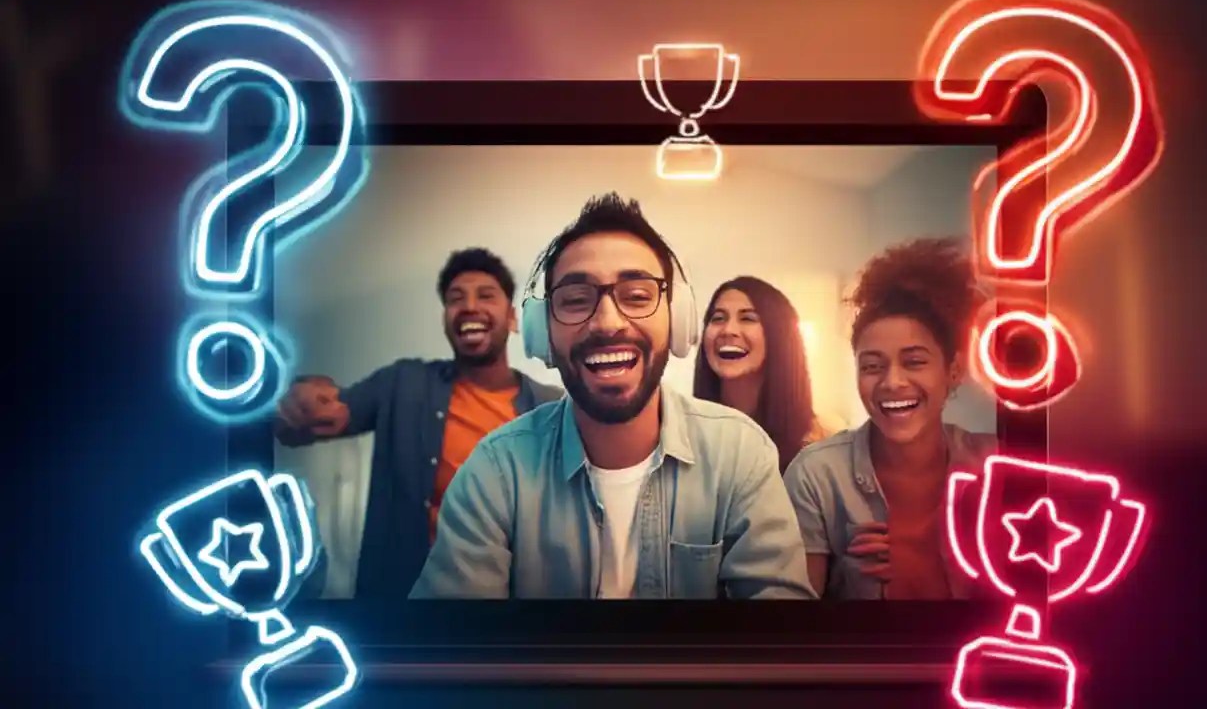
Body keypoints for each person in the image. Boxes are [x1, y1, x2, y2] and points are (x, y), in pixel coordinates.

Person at [412, 193, 815, 599]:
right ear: (542, 333)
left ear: (677, 320)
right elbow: (451, 645)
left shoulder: (739, 453)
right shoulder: (495, 472)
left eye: (637, 296)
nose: (607, 322)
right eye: (575, 300)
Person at [274, 248, 562, 598]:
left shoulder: (551, 406)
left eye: (486, 296)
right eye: (456, 299)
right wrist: (300, 400)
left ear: (513, 319)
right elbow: (322, 415)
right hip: (401, 607)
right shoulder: (402, 382)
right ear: (445, 319)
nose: (469, 306)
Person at [783, 238, 997, 600]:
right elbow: (791, 632)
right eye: (872, 366)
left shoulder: (997, 462)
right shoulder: (816, 475)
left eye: (914, 362)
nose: (892, 382)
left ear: (954, 370)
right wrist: (845, 583)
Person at [693, 276, 835, 472]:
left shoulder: (819, 447)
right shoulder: (685, 436)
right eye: (718, 318)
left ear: (778, 336)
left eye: (748, 319)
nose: (728, 330)